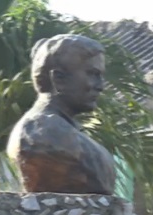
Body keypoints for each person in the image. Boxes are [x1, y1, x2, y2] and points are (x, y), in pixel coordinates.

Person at [7, 34, 116, 195]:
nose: (101, 86)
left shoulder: (61, 130)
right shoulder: (44, 134)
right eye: (92, 74)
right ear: (58, 78)